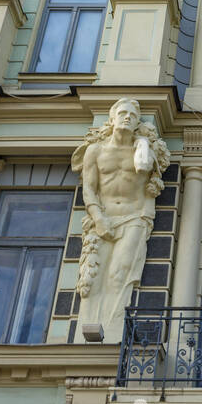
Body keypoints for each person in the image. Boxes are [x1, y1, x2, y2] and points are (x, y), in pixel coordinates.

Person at [72, 98, 169, 343]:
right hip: (103, 218)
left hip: (135, 217)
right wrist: (98, 218)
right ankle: (91, 334)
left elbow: (143, 167)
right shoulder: (95, 150)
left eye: (133, 115)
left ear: (138, 122)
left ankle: (112, 333)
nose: (127, 118)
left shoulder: (142, 150)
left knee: (119, 274)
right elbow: (89, 190)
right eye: (122, 113)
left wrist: (144, 142)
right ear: (112, 118)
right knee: (94, 276)